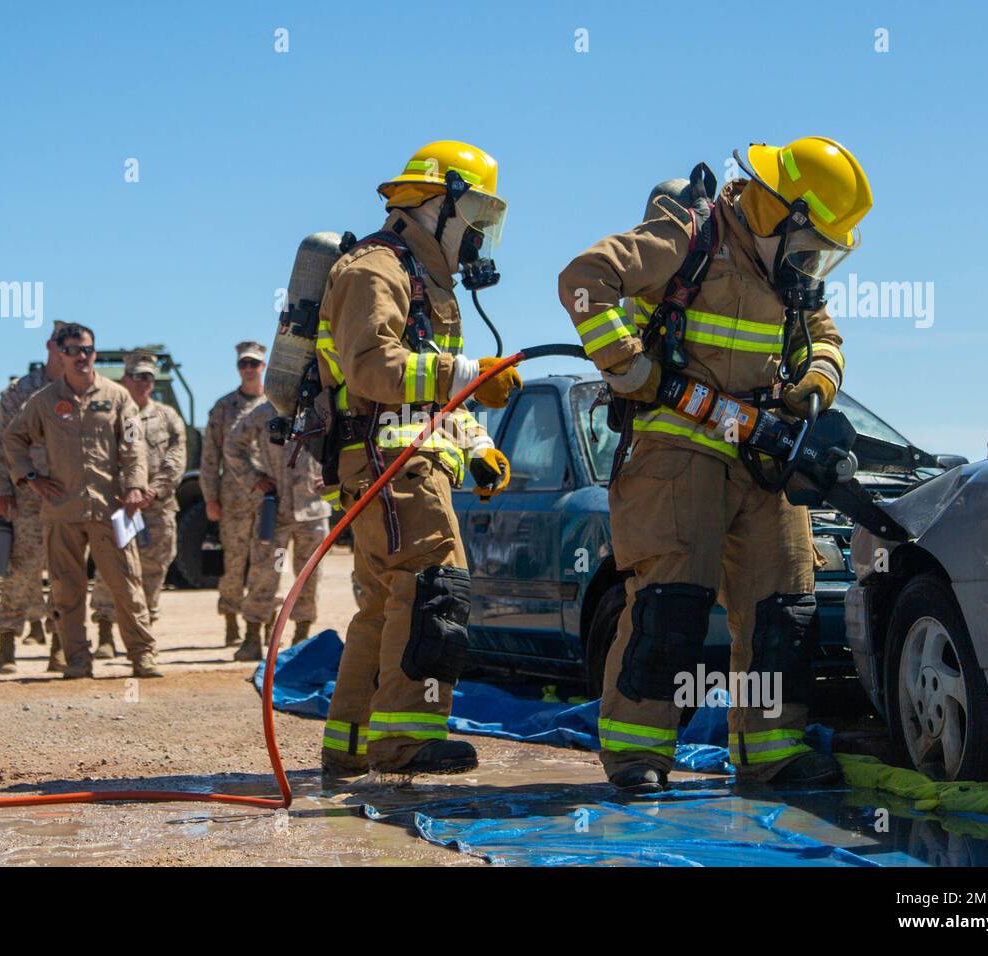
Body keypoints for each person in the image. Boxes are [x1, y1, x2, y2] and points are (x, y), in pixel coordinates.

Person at [557, 136, 873, 792]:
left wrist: (817, 381)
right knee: (674, 602)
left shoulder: (792, 278)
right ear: (781, 215)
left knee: (783, 607)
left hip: (760, 457)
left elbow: (829, 339)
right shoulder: (687, 237)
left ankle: (772, 752)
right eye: (813, 242)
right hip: (678, 451)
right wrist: (626, 362)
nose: (817, 262)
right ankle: (638, 755)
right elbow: (583, 281)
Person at [316, 141, 518, 778]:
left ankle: (350, 745)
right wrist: (468, 370)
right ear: (439, 204)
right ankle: (406, 741)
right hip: (387, 464)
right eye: (475, 216)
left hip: (408, 465)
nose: (480, 235)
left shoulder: (428, 284)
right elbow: (375, 370)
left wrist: (479, 446)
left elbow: (438, 395)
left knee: (387, 606)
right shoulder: (374, 270)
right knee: (435, 589)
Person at [2, 323, 162, 679]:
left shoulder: (118, 397)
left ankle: (142, 655)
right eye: (73, 350)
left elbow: (133, 445)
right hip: (62, 509)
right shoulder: (43, 401)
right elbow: (13, 438)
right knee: (65, 589)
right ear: (59, 354)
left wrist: (136, 485)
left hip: (112, 507)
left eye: (87, 350)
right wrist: (29, 478)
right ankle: (77, 660)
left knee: (126, 584)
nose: (81, 357)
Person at [89, 351, 187, 656]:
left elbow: (177, 457)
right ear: (126, 379)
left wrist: (153, 491)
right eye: (138, 376)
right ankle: (105, 633)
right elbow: (96, 457)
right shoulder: (107, 414)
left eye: (149, 377)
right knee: (110, 569)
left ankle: (144, 638)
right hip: (119, 507)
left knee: (154, 569)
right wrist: (122, 493)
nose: (144, 382)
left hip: (157, 508)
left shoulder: (168, 417)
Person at [0, 323, 67, 674]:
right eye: (65, 346)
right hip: (28, 495)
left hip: (71, 498)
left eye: (80, 348)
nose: (72, 354)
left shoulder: (86, 391)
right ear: (50, 346)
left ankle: (61, 646)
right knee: (22, 570)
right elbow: (1, 440)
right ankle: (7, 642)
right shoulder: (22, 390)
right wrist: (1, 489)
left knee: (67, 574)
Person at [223, 400, 331, 660]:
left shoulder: (322, 407)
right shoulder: (263, 412)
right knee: (264, 573)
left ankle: (301, 640)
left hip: (312, 509)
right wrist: (253, 478)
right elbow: (233, 445)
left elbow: (343, 442)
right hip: (275, 509)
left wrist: (333, 473)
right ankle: (251, 637)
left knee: (309, 576)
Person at [199, 342, 268, 648]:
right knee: (234, 563)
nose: (249, 369)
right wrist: (210, 498)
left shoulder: (277, 403)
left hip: (270, 500)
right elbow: (210, 457)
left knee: (265, 563)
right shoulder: (223, 407)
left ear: (263, 366)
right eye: (244, 364)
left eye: (254, 363)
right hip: (234, 500)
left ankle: (262, 621)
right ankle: (230, 620)